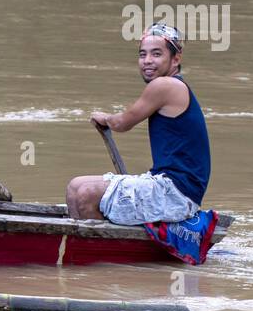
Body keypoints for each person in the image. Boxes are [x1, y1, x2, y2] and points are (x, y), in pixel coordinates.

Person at [65, 22, 211, 224]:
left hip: (177, 194)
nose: (147, 61)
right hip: (162, 183)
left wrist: (105, 118)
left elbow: (123, 123)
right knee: (75, 187)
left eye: (156, 54)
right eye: (143, 54)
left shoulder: (164, 85)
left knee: (87, 194)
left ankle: (102, 250)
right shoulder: (168, 85)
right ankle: (81, 247)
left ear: (176, 58)